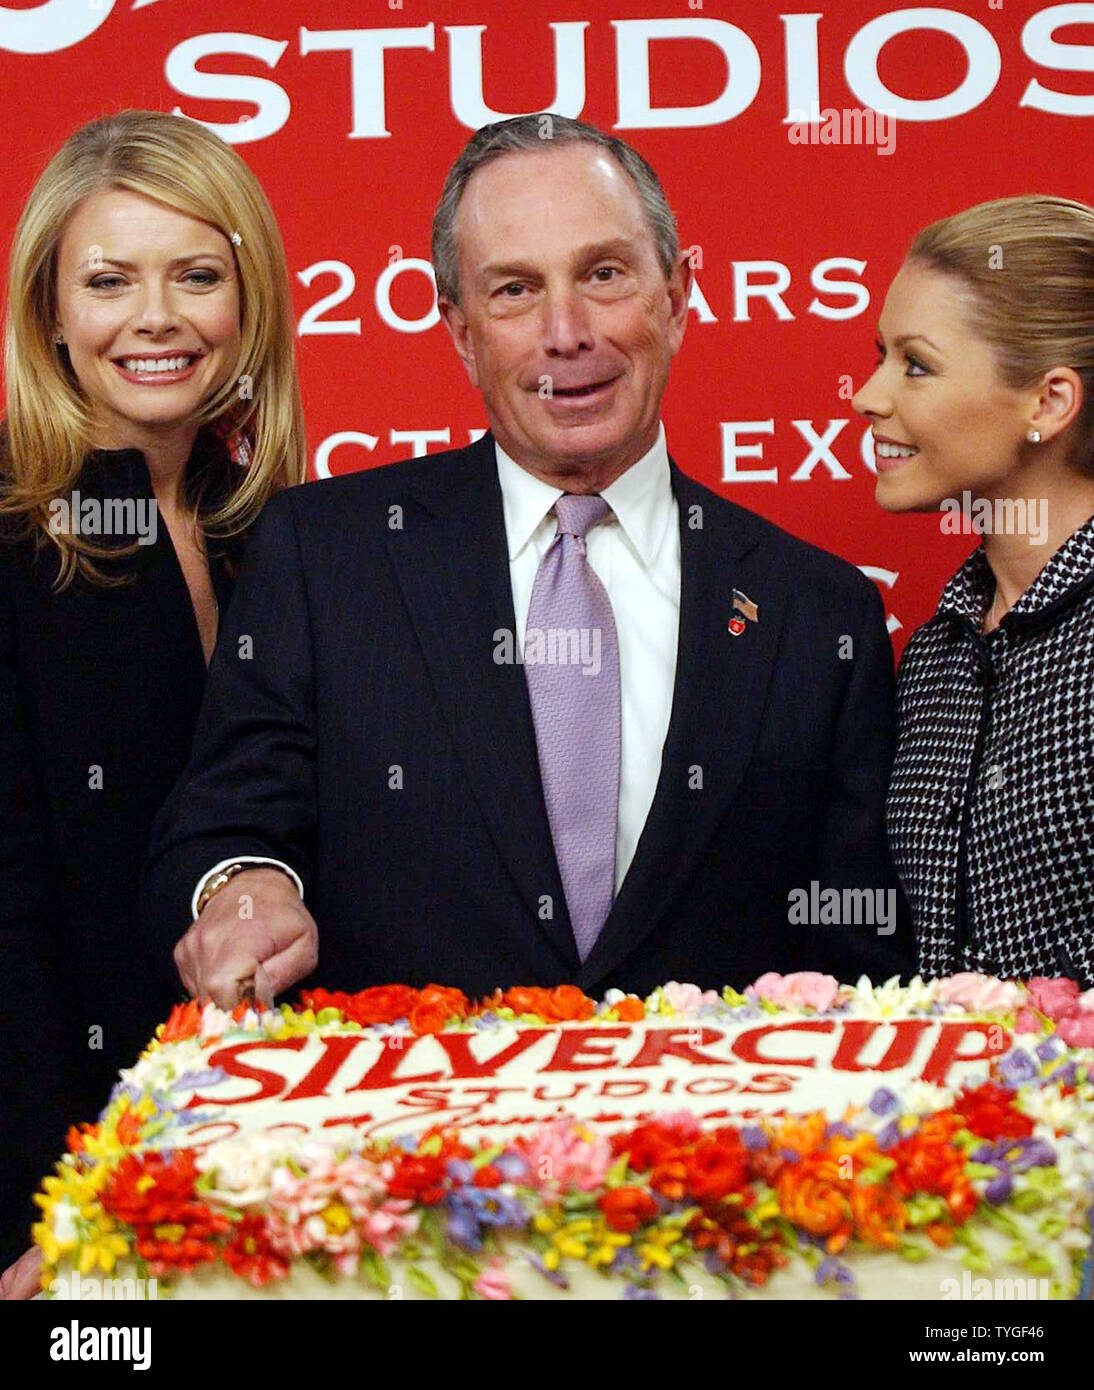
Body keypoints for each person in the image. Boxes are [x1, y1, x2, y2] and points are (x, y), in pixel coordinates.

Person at [142, 113, 909, 1020]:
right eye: (513, 291)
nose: (566, 333)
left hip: (716, 1153)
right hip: (402, 1142)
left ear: (678, 293)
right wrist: (244, 889)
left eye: (604, 274)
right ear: (462, 332)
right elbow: (228, 819)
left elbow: (862, 963)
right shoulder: (322, 555)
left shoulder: (818, 610)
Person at [0, 109, 306, 1286]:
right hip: (62, 1178)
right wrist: (54, 1196)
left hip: (260, 1154)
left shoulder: (282, 534)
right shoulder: (19, 533)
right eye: (110, 280)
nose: (157, 318)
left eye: (195, 275)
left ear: (250, 301)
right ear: (53, 314)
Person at [853, 195, 1094, 984]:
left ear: (1048, 402)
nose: (868, 396)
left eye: (915, 365)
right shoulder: (935, 653)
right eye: (881, 355)